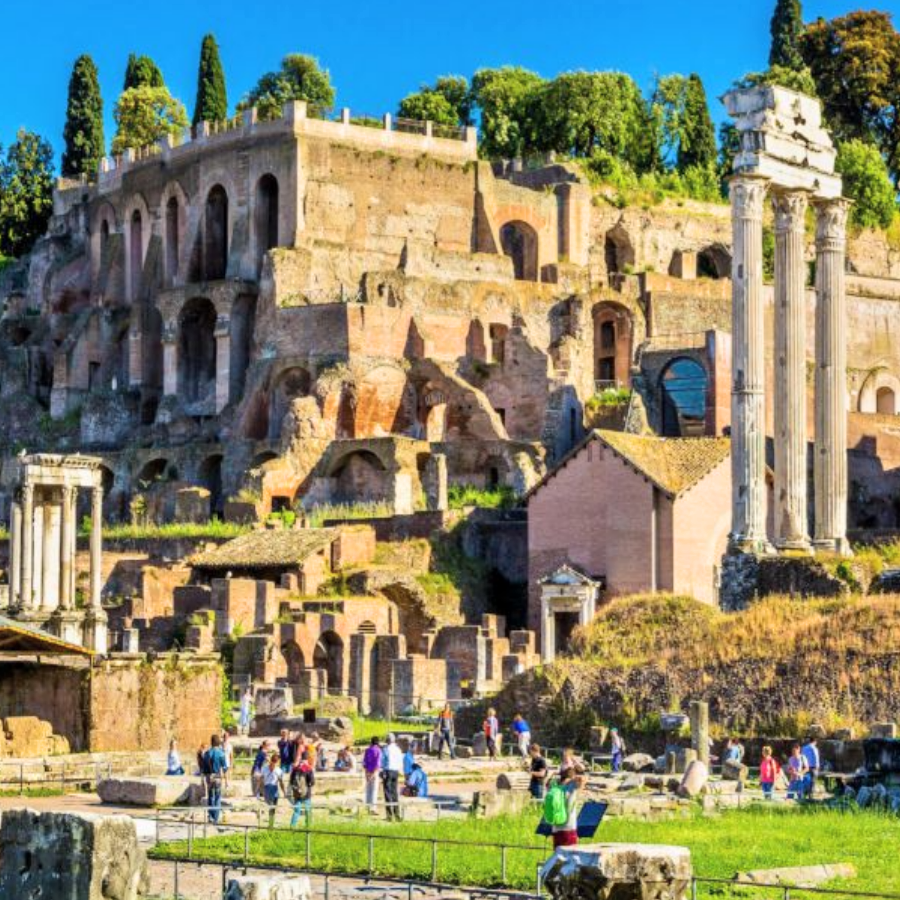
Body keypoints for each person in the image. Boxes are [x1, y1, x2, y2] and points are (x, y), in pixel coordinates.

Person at [550, 767, 583, 848]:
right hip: (569, 828)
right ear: (572, 777)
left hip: (556, 828)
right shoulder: (571, 786)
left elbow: (548, 782)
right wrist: (572, 779)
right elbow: (582, 779)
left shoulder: (554, 787)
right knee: (570, 857)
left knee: (557, 857)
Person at [203, 734, 229, 824]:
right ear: (218, 742)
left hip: (209, 777)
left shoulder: (207, 753)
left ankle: (210, 816)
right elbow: (225, 768)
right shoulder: (221, 753)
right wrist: (226, 781)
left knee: (210, 797)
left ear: (211, 742)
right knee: (217, 798)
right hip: (218, 777)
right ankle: (216, 818)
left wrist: (204, 778)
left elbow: (204, 768)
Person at [382, 733, 404, 821]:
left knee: (387, 793)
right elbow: (400, 761)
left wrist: (382, 771)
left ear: (387, 740)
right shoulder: (398, 749)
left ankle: (389, 815)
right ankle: (397, 814)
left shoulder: (386, 749)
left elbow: (383, 761)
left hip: (388, 771)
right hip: (396, 771)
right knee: (394, 793)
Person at [262, 752, 286, 827]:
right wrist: (284, 791)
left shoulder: (264, 768)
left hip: (267, 788)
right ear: (278, 761)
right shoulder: (278, 770)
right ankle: (270, 824)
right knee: (272, 807)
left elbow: (261, 780)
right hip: (272, 789)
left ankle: (271, 823)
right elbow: (281, 782)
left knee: (272, 807)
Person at [290, 760, 315, 826]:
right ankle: (308, 827)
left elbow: (291, 782)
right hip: (306, 794)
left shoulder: (295, 769)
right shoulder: (308, 769)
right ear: (307, 760)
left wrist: (297, 789)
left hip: (297, 794)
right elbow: (312, 782)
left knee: (296, 811)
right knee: (308, 811)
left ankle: (292, 827)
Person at [363, 737, 382, 812]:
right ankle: (373, 808)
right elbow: (378, 763)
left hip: (367, 772)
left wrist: (367, 773)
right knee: (374, 790)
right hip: (375, 772)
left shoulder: (367, 750)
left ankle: (367, 806)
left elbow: (364, 762)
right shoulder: (378, 750)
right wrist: (374, 773)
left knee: (368, 790)